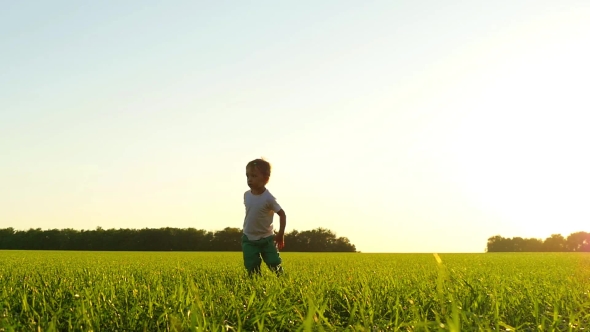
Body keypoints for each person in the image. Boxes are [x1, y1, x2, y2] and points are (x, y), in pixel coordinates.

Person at [242, 158, 286, 276]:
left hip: (266, 238)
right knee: (251, 263)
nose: (249, 179)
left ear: (265, 179)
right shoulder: (246, 195)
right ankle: (255, 283)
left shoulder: (268, 198)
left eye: (254, 176)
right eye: (248, 176)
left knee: (273, 262)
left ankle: (282, 279)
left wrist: (281, 234)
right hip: (249, 238)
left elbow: (282, 214)